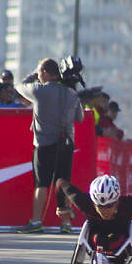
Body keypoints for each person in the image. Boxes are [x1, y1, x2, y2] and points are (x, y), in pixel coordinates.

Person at [15, 57, 84, 234]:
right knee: (64, 184)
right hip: (67, 143)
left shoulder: (39, 90)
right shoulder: (71, 93)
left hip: (44, 143)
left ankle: (37, 222)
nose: (38, 75)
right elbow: (80, 118)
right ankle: (66, 224)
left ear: (45, 73)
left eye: (40, 72)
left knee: (42, 184)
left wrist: (34, 74)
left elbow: (20, 85)